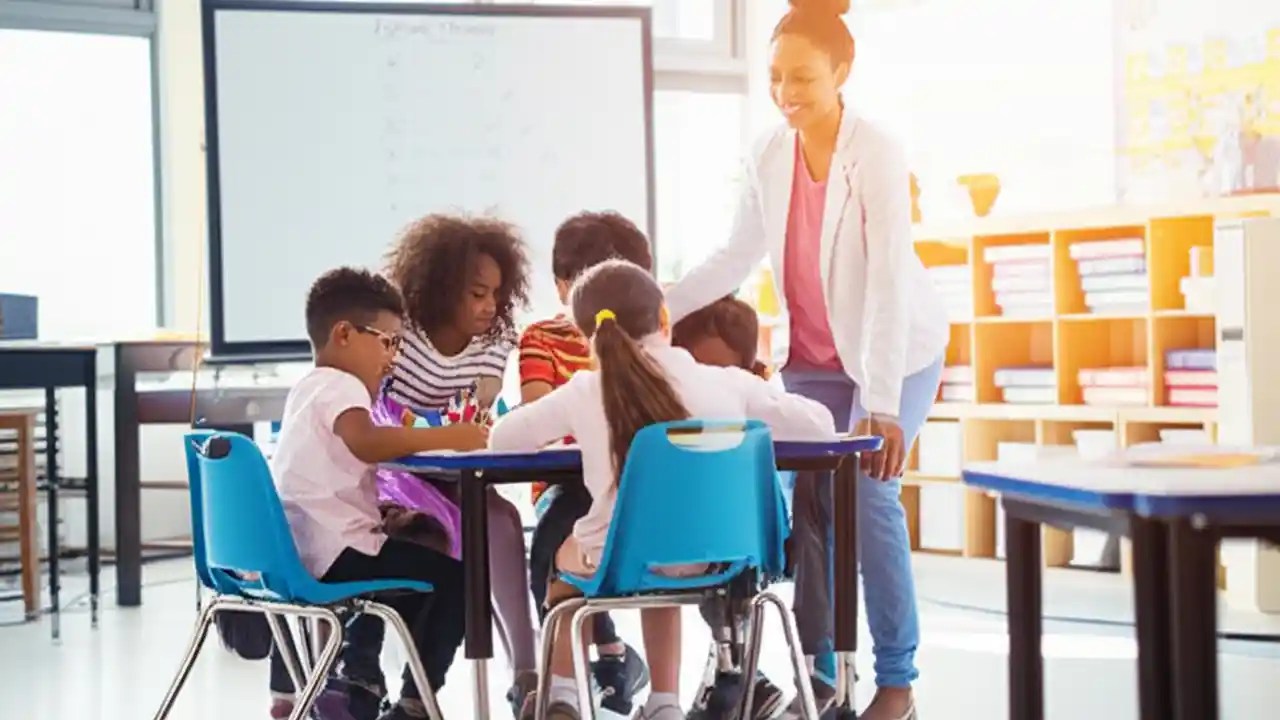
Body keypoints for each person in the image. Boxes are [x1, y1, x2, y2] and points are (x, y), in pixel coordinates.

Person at [665, 1, 948, 717]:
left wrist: (881, 403)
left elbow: (886, 277)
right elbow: (736, 253)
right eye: (775, 77)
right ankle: (820, 675)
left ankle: (897, 679)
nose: (787, 93)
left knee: (870, 493)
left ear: (842, 72)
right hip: (814, 358)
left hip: (896, 357)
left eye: (803, 78)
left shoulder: (875, 149)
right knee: (809, 507)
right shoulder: (768, 151)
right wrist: (660, 308)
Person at [490, 260, 837, 720]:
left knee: (564, 563)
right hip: (724, 558)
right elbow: (822, 425)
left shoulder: (585, 390)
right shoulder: (727, 382)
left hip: (620, 558)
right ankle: (663, 703)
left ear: (588, 337)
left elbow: (503, 439)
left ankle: (565, 697)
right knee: (664, 555)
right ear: (666, 318)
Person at [317, 214, 540, 720]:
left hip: (451, 465)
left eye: (495, 295)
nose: (488, 307)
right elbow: (373, 419)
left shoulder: (496, 342)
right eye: (476, 294)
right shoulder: (400, 335)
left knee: (501, 523)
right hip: (387, 469)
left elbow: (475, 419)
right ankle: (376, 678)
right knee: (422, 531)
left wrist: (448, 437)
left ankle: (526, 676)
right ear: (441, 288)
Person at [271, 267, 487, 720]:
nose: (392, 358)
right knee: (456, 580)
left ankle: (345, 684)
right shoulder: (342, 384)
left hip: (299, 551)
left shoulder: (306, 389)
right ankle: (414, 702)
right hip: (338, 552)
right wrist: (451, 435)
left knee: (408, 552)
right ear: (344, 334)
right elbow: (366, 442)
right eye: (387, 341)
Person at [518, 211, 655, 718]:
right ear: (561, 287)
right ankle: (567, 682)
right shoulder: (541, 338)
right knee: (557, 533)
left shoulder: (657, 345)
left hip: (638, 484)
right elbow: (538, 421)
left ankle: (727, 669)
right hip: (569, 482)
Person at [669, 297, 785, 720]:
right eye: (700, 370)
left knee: (728, 561)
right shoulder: (659, 401)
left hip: (737, 543)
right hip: (692, 542)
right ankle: (735, 673)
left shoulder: (756, 396)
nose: (712, 382)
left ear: (745, 366)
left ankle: (735, 671)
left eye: (725, 371)